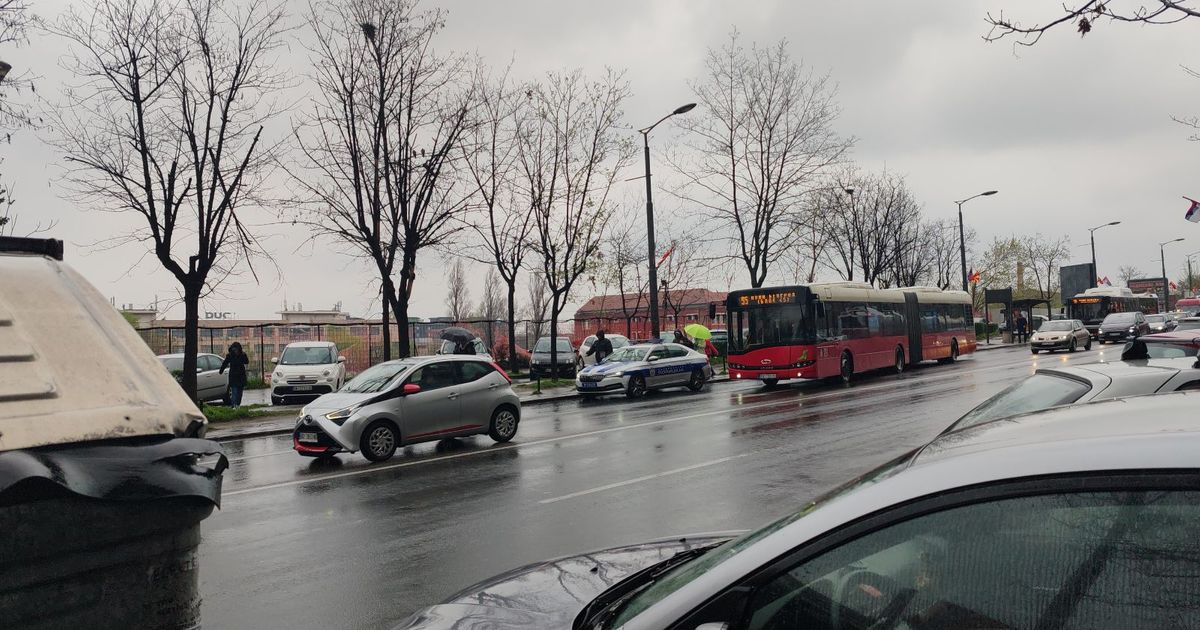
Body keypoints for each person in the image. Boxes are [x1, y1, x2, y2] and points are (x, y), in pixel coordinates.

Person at [219, 342, 249, 407]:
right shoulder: (229, 355)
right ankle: (234, 405)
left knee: (240, 392)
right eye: (233, 349)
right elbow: (225, 363)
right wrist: (221, 370)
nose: (235, 350)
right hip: (233, 376)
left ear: (239, 349)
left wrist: (244, 355)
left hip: (241, 376)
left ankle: (238, 404)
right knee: (234, 392)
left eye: (236, 349)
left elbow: (247, 362)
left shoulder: (242, 355)